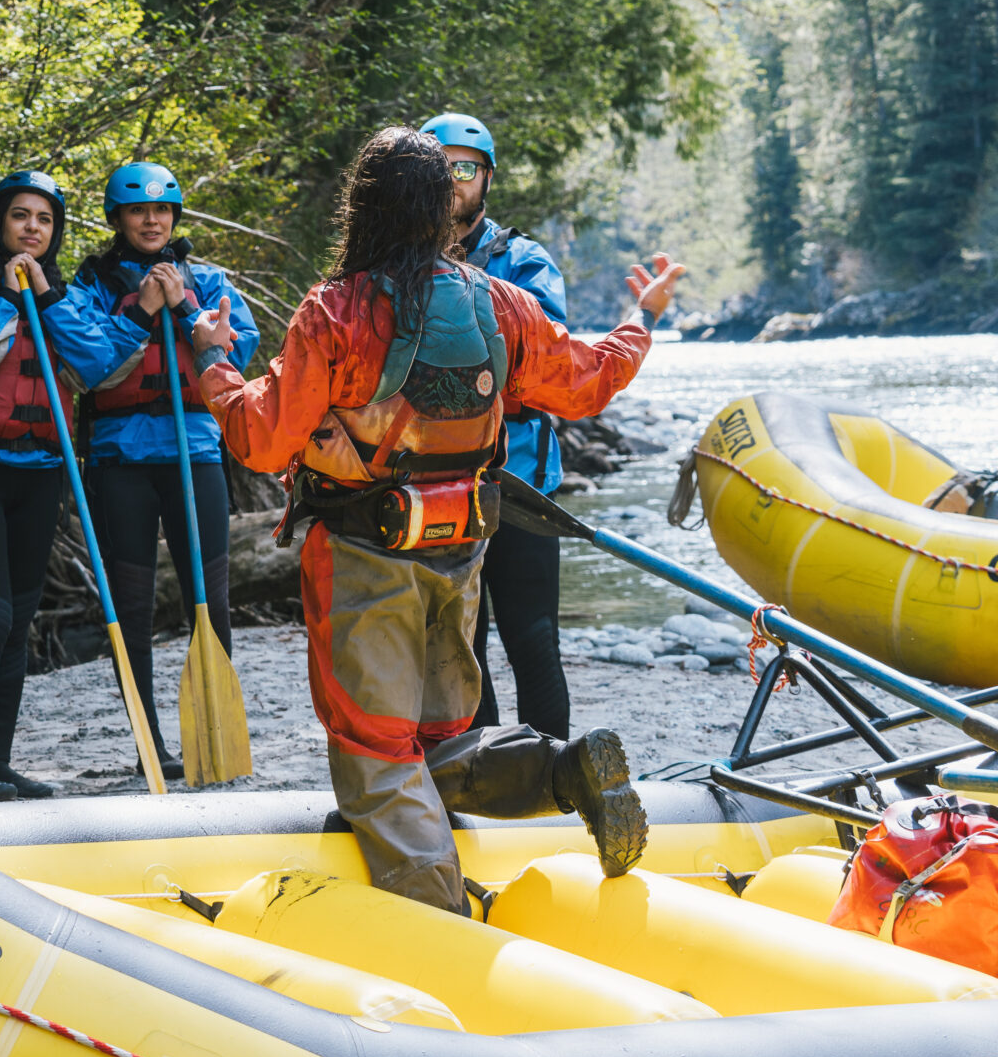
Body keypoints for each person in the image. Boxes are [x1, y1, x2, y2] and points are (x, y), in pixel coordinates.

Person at [200, 126, 683, 913]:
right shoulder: (500, 300)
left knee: (378, 750)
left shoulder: (336, 309)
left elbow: (261, 438)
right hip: (462, 548)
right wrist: (640, 320)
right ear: (441, 206)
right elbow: (589, 381)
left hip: (366, 550)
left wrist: (213, 369)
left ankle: (443, 921)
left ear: (363, 208)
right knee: (437, 741)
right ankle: (561, 770)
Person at [0, 172, 117, 799]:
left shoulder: (69, 296)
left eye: (44, 219)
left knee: (19, 618)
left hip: (40, 474)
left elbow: (98, 366)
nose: (32, 228)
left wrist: (50, 299)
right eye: (20, 217)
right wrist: (8, 299)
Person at [68, 161, 259, 779]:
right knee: (132, 602)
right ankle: (150, 737)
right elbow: (85, 360)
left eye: (162, 211)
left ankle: (213, 727)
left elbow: (241, 349)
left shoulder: (205, 279)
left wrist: (182, 310)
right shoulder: (93, 283)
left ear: (174, 216)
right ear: (118, 219)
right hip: (120, 458)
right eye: (137, 211)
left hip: (194, 450)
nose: (151, 221)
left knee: (212, 595)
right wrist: (144, 308)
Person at [423, 111, 573, 738]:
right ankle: (479, 774)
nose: (454, 180)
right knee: (461, 645)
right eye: (441, 168)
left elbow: (546, 351)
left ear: (486, 179)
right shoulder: (392, 265)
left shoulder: (523, 260)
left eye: (467, 168)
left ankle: (555, 771)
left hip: (519, 480)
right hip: (435, 480)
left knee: (532, 637)